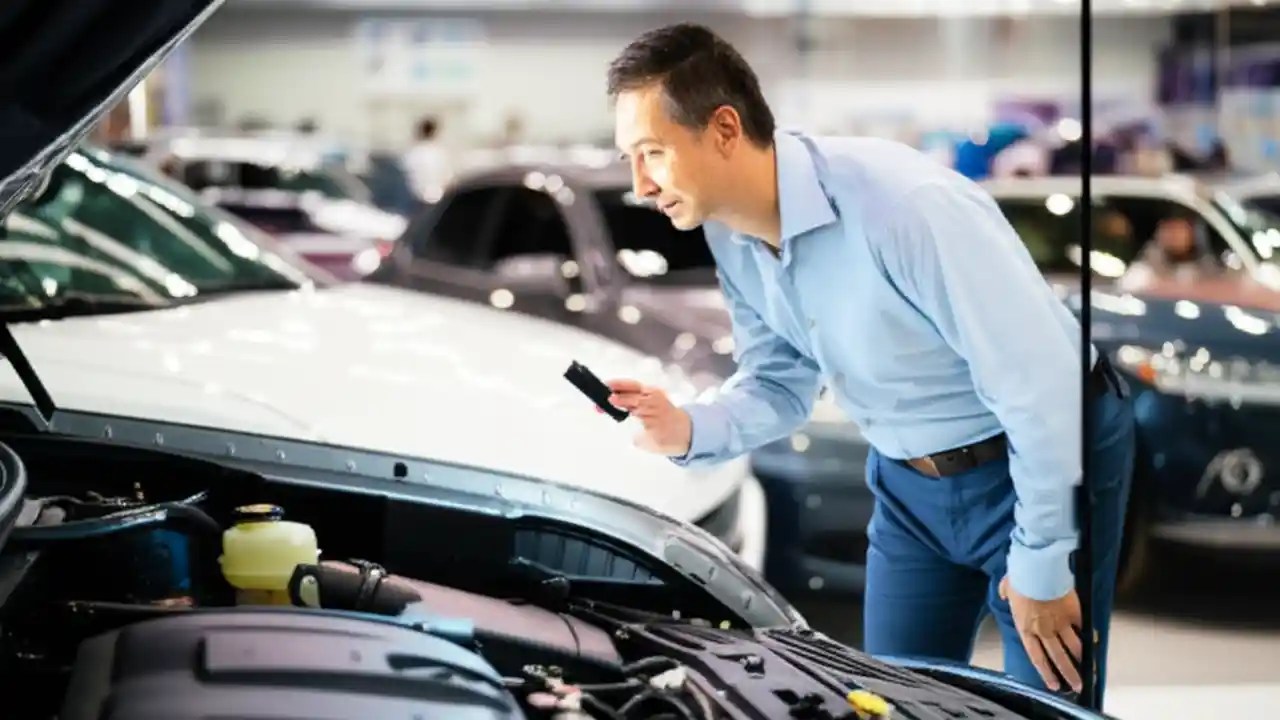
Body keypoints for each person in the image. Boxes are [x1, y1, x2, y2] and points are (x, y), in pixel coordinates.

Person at [600, 23, 1135, 709]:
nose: (641, 185)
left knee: (1045, 705)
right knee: (886, 698)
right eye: (630, 159)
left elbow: (1038, 387)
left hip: (1039, 457)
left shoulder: (903, 207)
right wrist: (687, 428)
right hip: (910, 486)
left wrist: (1042, 558)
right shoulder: (728, 234)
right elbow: (779, 380)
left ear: (725, 129)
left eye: (652, 153)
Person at [401, 115, 452, 204]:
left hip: (415, 198)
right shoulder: (439, 153)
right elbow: (447, 178)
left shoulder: (412, 154)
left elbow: (405, 177)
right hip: (437, 197)